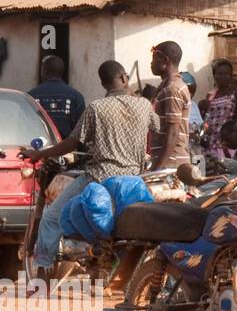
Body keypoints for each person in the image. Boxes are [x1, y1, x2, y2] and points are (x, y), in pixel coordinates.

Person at [21, 61, 157, 292]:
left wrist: (39, 154)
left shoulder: (96, 108)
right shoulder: (144, 105)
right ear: (124, 78)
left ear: (103, 83)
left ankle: (42, 272)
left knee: (52, 218)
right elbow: (158, 129)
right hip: (133, 179)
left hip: (100, 177)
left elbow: (73, 143)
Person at [148, 41, 191, 170]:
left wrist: (157, 170)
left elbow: (173, 132)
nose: (151, 63)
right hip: (168, 161)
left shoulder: (172, 89)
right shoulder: (166, 87)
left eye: (154, 59)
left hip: (171, 164)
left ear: (165, 61)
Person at [199, 58, 237, 159]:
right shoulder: (210, 96)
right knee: (209, 170)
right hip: (209, 143)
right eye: (219, 74)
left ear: (231, 76)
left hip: (227, 144)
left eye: (226, 74)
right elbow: (205, 120)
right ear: (214, 76)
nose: (222, 77)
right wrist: (201, 109)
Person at [28, 55, 84, 140]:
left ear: (45, 71)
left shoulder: (31, 96)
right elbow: (82, 131)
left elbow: (24, 127)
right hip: (67, 150)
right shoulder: (76, 97)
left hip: (39, 150)